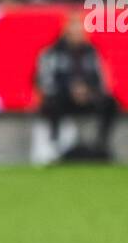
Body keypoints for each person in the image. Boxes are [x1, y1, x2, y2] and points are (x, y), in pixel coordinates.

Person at [36, 15, 118, 160]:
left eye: (80, 32)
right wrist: (69, 90)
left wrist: (88, 91)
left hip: (88, 97)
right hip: (62, 97)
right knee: (52, 103)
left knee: (110, 103)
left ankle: (101, 144)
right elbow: (45, 82)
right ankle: (54, 143)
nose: (77, 36)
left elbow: (101, 81)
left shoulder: (91, 52)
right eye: (74, 32)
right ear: (66, 32)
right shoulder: (52, 53)